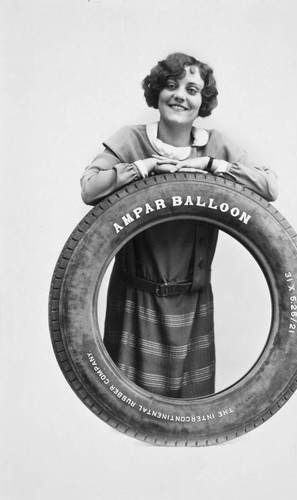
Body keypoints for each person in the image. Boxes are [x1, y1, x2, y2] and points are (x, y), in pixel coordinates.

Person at [81, 52, 278, 399]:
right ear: (157, 92)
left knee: (189, 414)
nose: (180, 96)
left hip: (192, 296)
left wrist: (215, 165)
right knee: (127, 407)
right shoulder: (131, 140)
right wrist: (140, 168)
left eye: (192, 89)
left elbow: (269, 187)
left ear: (203, 101)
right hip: (135, 295)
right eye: (171, 86)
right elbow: (88, 189)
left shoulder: (216, 144)